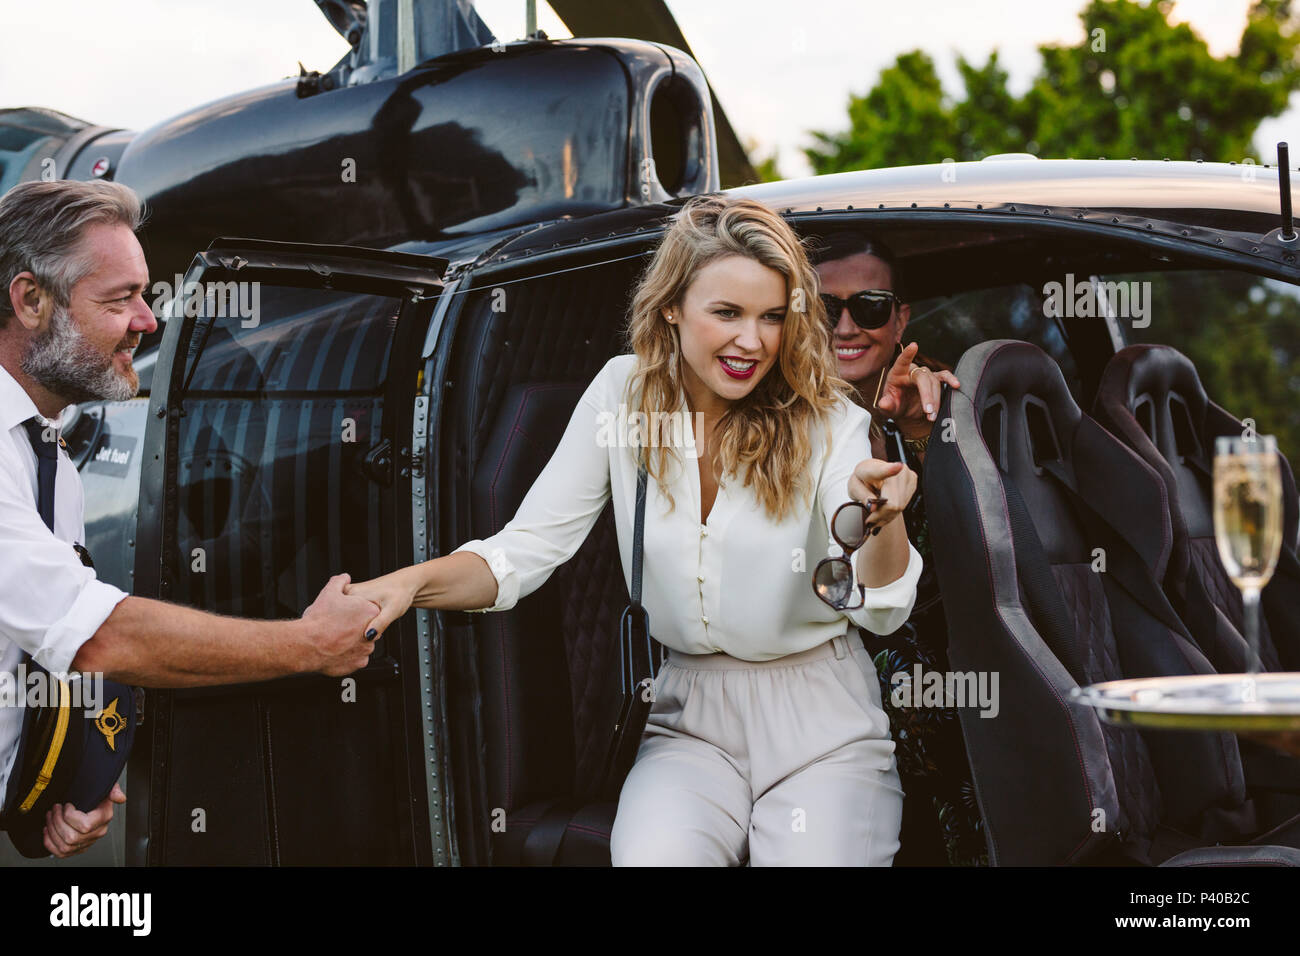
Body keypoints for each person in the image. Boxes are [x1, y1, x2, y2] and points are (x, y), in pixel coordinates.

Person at [346, 196, 923, 865]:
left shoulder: (828, 421)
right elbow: (523, 553)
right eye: (727, 313)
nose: (753, 341)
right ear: (672, 306)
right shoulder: (623, 396)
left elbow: (880, 605)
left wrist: (879, 514)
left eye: (772, 317)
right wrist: (404, 586)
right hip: (689, 728)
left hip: (824, 728)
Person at [0, 180, 381, 858]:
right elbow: (100, 639)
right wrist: (309, 645)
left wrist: (66, 784)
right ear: (30, 300)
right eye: (121, 299)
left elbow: (48, 649)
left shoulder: (44, 447)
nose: (148, 321)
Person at [812, 230, 986, 866]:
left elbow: (967, 568)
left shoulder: (936, 409)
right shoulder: (764, 418)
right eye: (825, 307)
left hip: (944, 687)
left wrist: (919, 436)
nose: (848, 325)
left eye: (872, 306)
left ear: (901, 317)